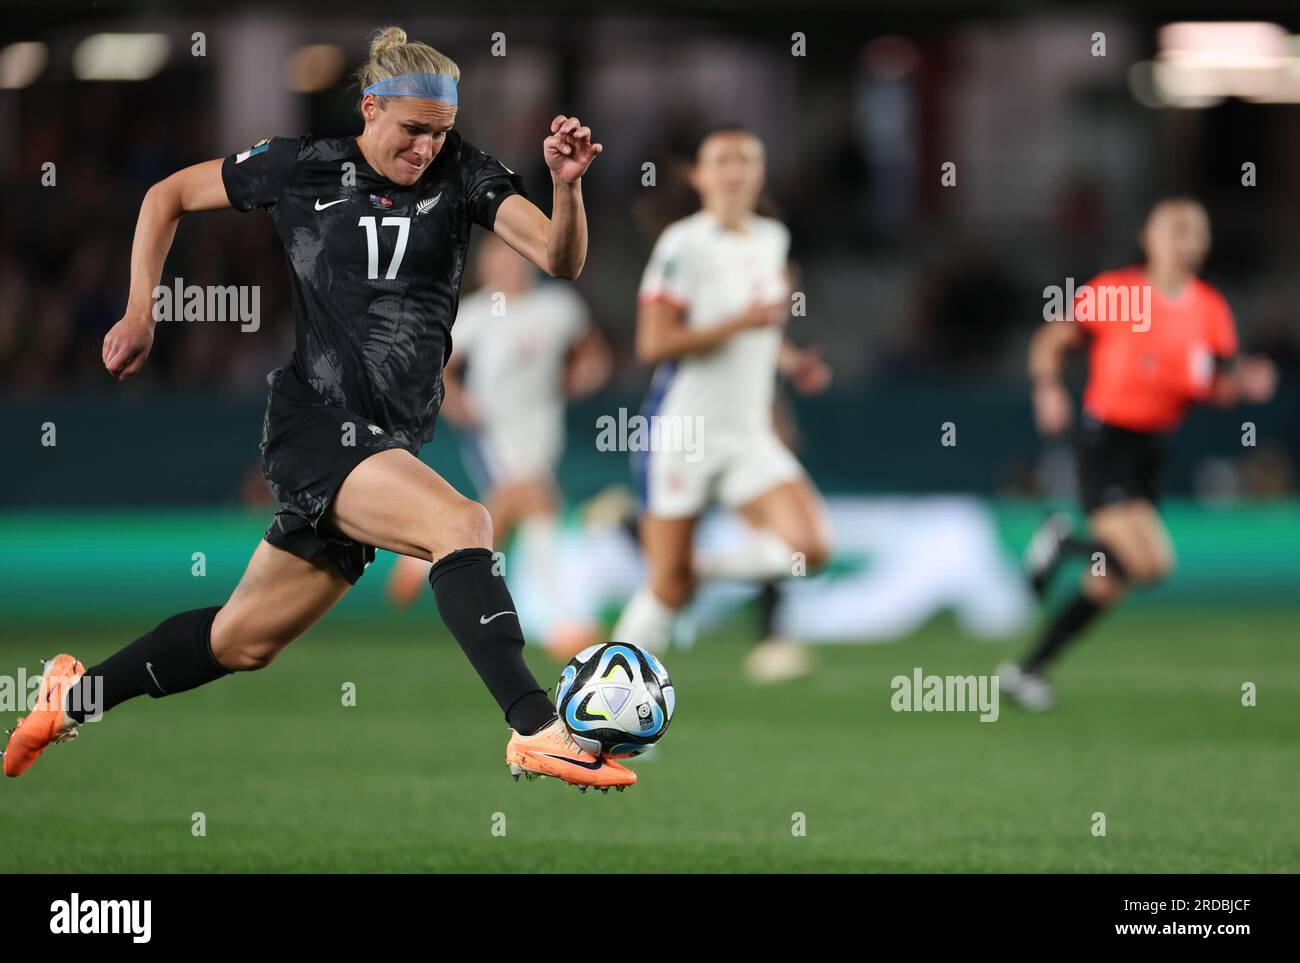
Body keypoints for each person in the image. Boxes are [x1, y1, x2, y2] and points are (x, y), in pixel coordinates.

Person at [4, 26, 634, 791]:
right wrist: (142, 310)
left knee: (240, 642)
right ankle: (537, 726)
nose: (426, 149)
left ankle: (72, 697)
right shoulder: (299, 166)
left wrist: (565, 187)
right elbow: (165, 195)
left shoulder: (466, 172)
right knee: (463, 524)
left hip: (386, 443)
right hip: (317, 428)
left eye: (438, 134)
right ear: (369, 107)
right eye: (411, 130)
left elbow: (561, 258)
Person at [1001, 198, 1277, 710]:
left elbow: (1212, 388)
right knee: (1149, 565)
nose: (1181, 238)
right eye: (1171, 228)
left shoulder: (1210, 309)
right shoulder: (1117, 291)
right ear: (1148, 238)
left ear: (1204, 243)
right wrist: (1048, 388)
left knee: (1112, 579)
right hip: (1107, 440)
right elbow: (1052, 337)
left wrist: (1241, 387)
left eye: (1192, 229)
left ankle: (1025, 670)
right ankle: (1060, 544)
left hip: (1153, 446)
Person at [611, 126, 832, 681]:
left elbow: (758, 331)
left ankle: (700, 568)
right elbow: (654, 344)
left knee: (810, 549)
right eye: (723, 160)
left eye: (747, 160)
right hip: (683, 432)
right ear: (700, 176)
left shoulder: (771, 239)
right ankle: (595, 717)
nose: (736, 170)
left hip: (748, 433)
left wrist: (789, 361)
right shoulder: (682, 245)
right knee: (666, 588)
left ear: (760, 174)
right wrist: (742, 324)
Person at [386, 232, 611, 657]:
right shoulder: (475, 314)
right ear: (485, 268)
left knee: (507, 511)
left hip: (543, 425)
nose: (510, 266)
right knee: (538, 502)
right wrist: (460, 405)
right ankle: (562, 621)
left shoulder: (558, 306)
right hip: (494, 428)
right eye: (500, 260)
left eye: (516, 257)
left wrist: (585, 375)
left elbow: (591, 352)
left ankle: (432, 555)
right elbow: (438, 371)